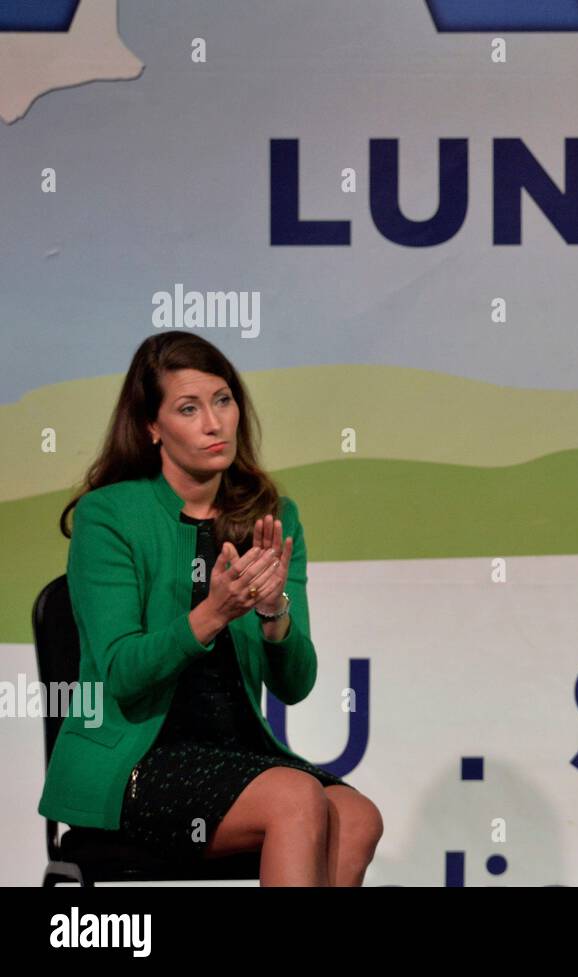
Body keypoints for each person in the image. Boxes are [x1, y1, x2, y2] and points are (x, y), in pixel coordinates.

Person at [39, 332, 383, 886]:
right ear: (152, 426)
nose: (214, 423)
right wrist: (213, 612)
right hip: (135, 762)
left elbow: (295, 685)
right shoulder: (109, 516)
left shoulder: (270, 516)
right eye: (188, 408)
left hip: (237, 753)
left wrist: (274, 613)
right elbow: (121, 675)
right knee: (296, 801)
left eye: (223, 401)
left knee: (359, 817)